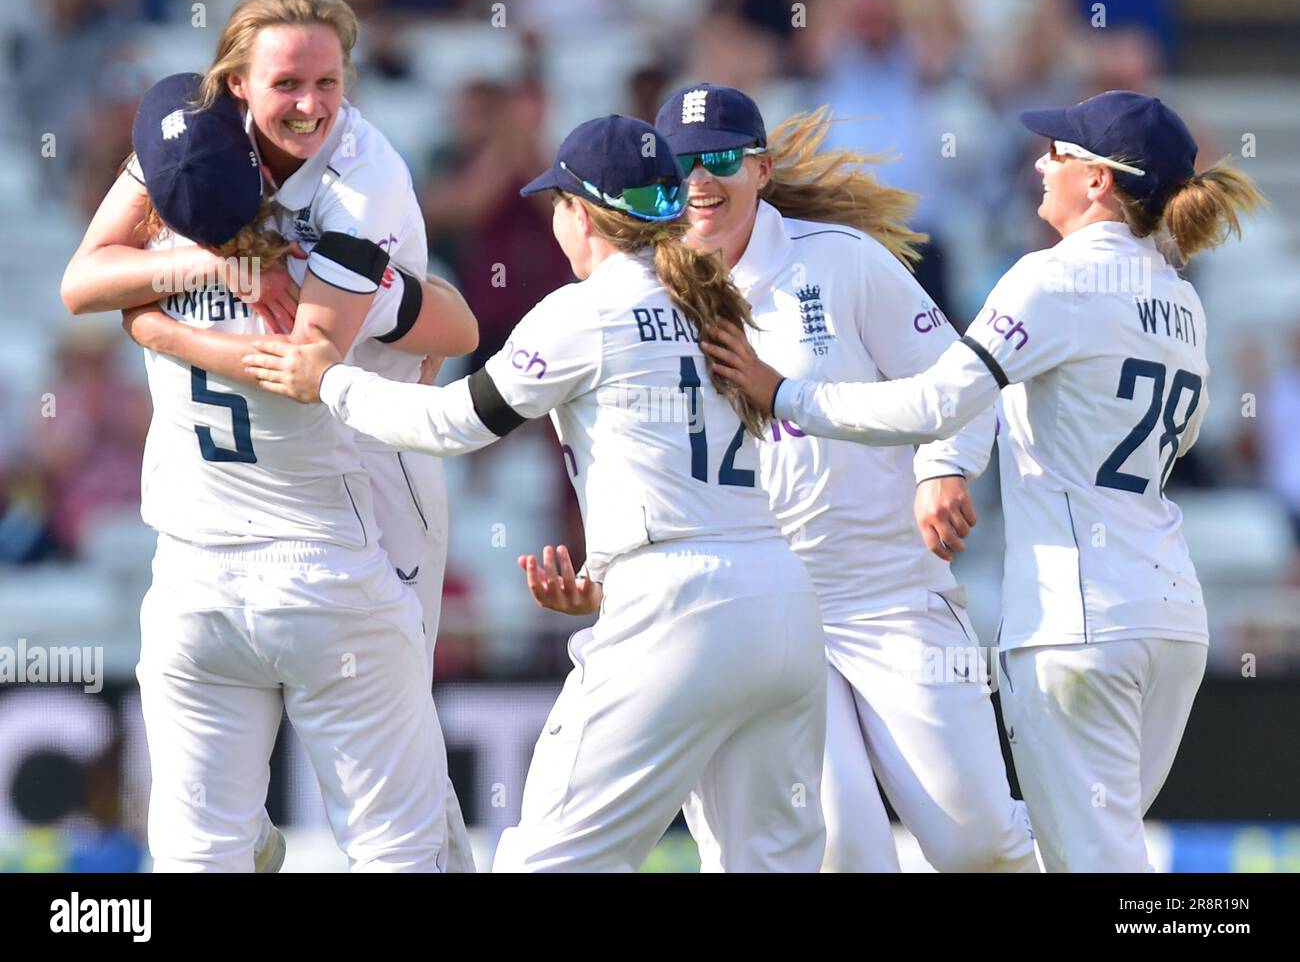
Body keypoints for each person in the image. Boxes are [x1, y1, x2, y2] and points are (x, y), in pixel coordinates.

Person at [242, 114, 829, 873]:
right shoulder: (717, 299)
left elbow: (457, 423)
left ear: (579, 213)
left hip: (676, 607)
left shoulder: (587, 310)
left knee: (541, 866)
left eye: (557, 204)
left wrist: (330, 382)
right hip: (780, 600)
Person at [702, 90, 1266, 872]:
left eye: (1060, 153)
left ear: (1099, 181)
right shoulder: (1182, 301)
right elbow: (1185, 435)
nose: (1041, 163)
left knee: (1087, 866)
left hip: (1075, 621)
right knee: (1099, 851)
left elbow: (939, 398)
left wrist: (785, 393)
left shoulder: (1050, 278)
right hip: (1170, 619)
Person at [62, 0, 477, 870]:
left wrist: (155, 316)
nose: (313, 104)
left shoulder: (363, 179)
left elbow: (305, 357)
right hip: (326, 547)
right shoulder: (187, 147)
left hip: (212, 562)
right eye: (288, 82)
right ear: (236, 84)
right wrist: (221, 268)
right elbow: (88, 284)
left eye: (329, 83)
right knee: (402, 849)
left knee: (198, 855)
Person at [641, 82, 1032, 872]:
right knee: (842, 850)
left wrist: (943, 468)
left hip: (889, 591)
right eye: (680, 165)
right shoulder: (637, 294)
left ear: (760, 167)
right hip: (761, 610)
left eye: (718, 160)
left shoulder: (843, 262)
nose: (699, 183)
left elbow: (959, 384)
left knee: (979, 842)